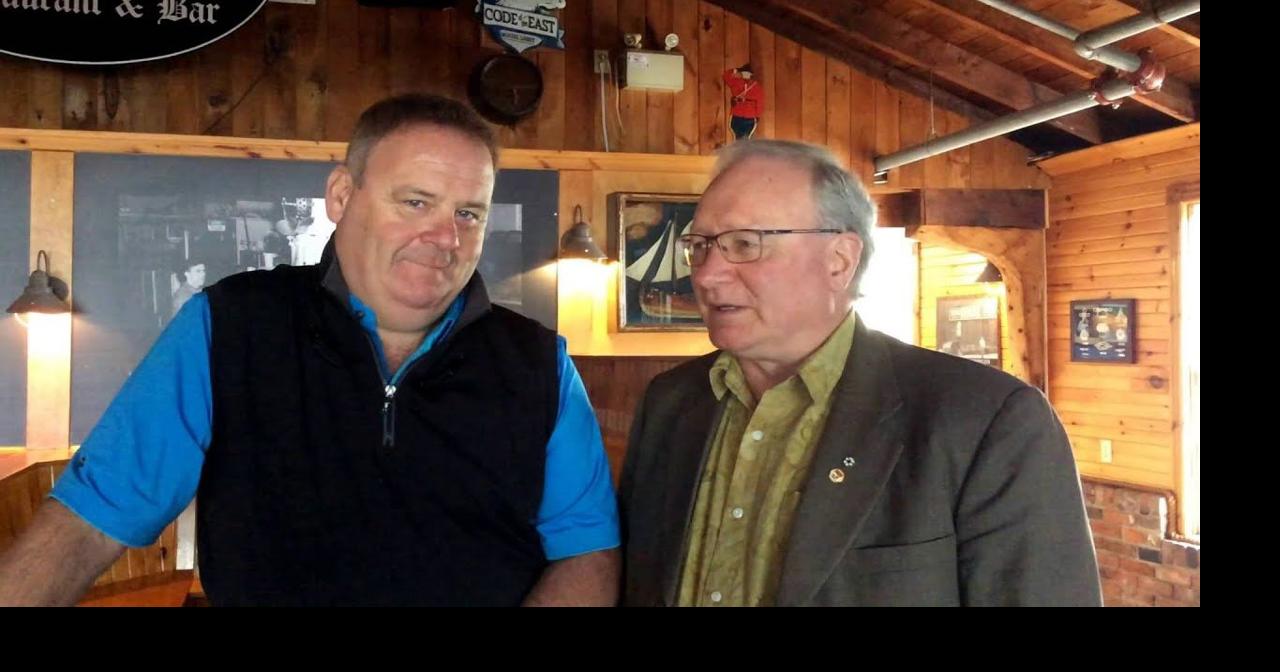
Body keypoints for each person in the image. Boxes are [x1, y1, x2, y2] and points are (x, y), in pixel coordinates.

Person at [0, 93, 620, 607]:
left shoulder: (538, 363)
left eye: (468, 213)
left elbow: (586, 552)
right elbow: (88, 519)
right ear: (342, 196)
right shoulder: (230, 326)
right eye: (416, 202)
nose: (445, 237)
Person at [619, 139, 1100, 607]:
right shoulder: (670, 401)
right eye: (699, 246)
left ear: (839, 261)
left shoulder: (986, 422)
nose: (705, 274)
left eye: (744, 244)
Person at [723, 64, 764, 141]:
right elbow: (760, 102)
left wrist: (736, 70)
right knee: (745, 139)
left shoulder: (736, 83)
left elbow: (726, 75)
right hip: (748, 115)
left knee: (739, 139)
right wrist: (757, 115)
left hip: (739, 114)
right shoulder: (756, 86)